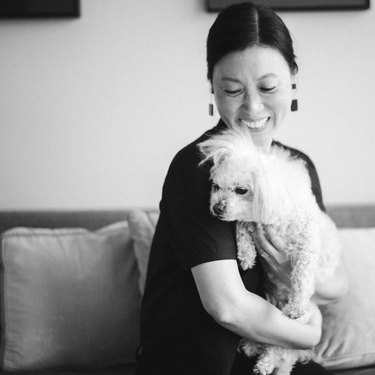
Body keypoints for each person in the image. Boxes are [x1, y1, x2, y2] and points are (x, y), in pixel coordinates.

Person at [135, 2, 348, 374]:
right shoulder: (198, 167)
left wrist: (289, 270)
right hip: (202, 362)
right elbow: (227, 307)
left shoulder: (298, 167)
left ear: (293, 79)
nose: (252, 107)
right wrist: (308, 336)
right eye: (232, 90)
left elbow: (337, 283)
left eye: (268, 87)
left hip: (271, 354)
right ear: (212, 88)